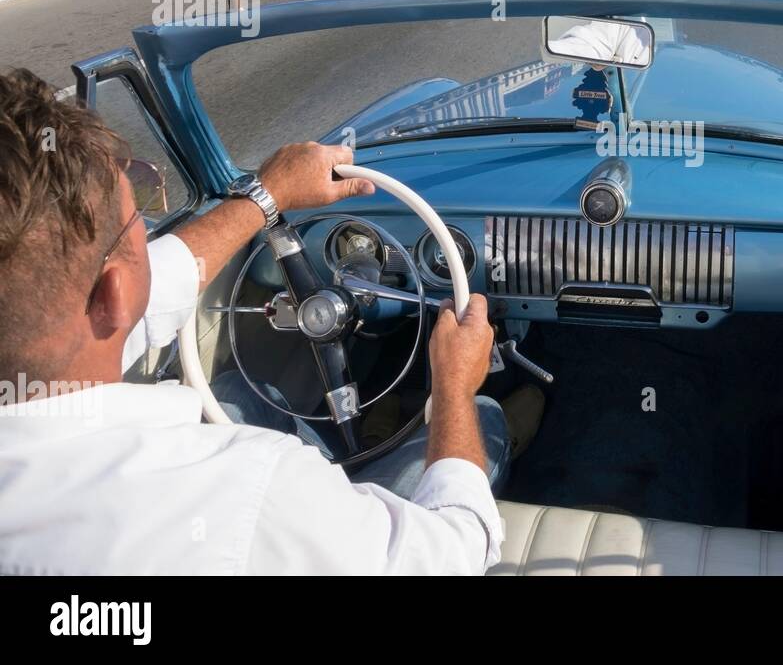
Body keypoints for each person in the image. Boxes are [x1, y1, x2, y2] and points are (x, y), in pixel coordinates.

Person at [0, 69, 545, 573]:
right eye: (137, 220)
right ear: (114, 291)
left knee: (243, 390)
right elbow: (451, 553)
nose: (150, 230)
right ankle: (491, 430)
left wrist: (269, 195)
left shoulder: (49, 334)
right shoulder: (250, 490)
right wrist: (451, 385)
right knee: (482, 414)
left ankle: (374, 439)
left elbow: (151, 282)